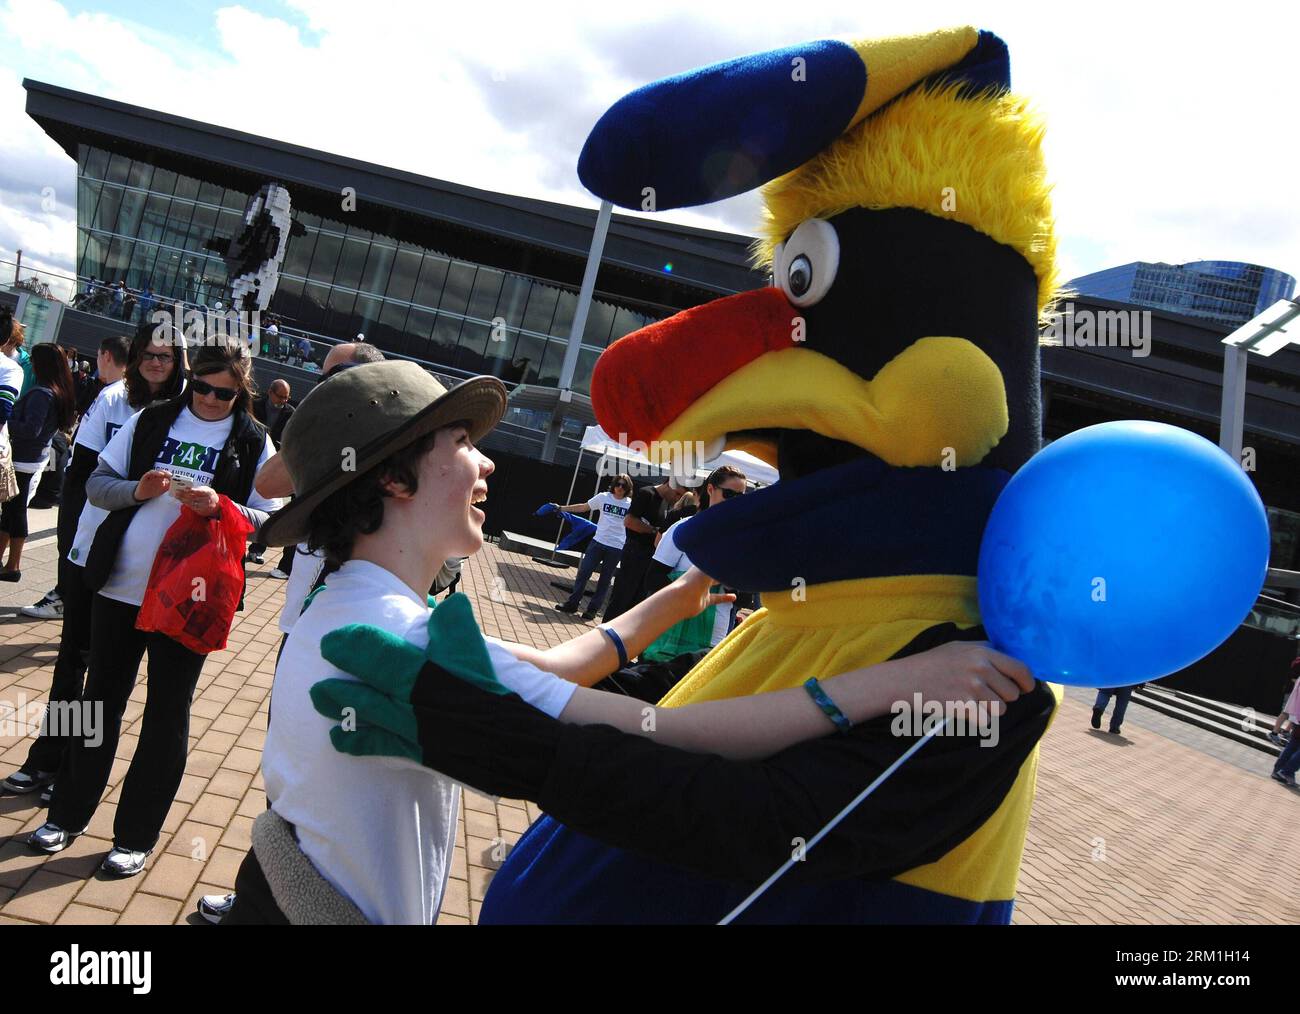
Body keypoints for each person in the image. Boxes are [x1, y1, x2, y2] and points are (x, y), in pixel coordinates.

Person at [217, 361, 1032, 924]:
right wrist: (900, 681)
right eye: (461, 444)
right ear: (393, 479)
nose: (486, 463)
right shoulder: (400, 640)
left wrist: (672, 603)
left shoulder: (341, 606)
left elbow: (541, 667)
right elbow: (670, 739)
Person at [26, 342, 278, 876]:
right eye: (204, 387)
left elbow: (271, 523)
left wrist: (225, 507)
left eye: (225, 393)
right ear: (192, 380)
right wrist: (137, 490)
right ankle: (66, 813)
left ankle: (135, 836)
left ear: (242, 390)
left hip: (191, 600)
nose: (211, 400)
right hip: (118, 584)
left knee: (167, 714)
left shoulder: (253, 440)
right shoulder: (150, 418)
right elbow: (97, 484)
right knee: (95, 702)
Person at [22, 335, 134, 618]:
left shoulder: (113, 394)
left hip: (90, 482)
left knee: (72, 544)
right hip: (107, 484)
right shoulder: (121, 393)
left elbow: (90, 447)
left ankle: (65, 597)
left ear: (105, 356)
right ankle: (71, 597)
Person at [0, 345, 77, 581]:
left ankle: (13, 566)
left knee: (15, 511)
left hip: (23, 459)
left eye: (33, 360)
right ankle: (8, 563)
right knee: (11, 512)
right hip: (33, 459)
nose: (30, 364)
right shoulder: (59, 391)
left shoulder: (42, 393)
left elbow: (31, 429)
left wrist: (6, 422)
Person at [601, 475, 682, 622]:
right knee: (622, 598)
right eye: (677, 494)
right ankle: (605, 635)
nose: (677, 498)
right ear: (670, 484)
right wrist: (654, 531)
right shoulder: (647, 494)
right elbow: (629, 521)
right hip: (635, 552)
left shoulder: (669, 504)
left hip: (650, 557)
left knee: (638, 603)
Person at [553, 473, 632, 620]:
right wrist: (563, 508)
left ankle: (592, 610)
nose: (620, 488)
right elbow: (584, 507)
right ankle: (572, 604)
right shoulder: (603, 497)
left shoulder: (630, 504)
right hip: (598, 542)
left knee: (605, 580)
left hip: (616, 547)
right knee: (583, 573)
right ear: (613, 484)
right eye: (618, 484)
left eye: (624, 485)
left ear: (628, 488)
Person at [246, 380, 295, 573]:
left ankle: (257, 549)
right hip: (253, 456)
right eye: (280, 396)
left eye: (286, 397)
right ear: (270, 392)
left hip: (275, 461)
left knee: (268, 504)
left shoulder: (289, 412)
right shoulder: (255, 404)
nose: (283, 401)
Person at [1273, 672, 1300, 787]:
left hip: (1297, 715)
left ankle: (1279, 770)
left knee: (1294, 743)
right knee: (1294, 743)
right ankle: (1287, 771)